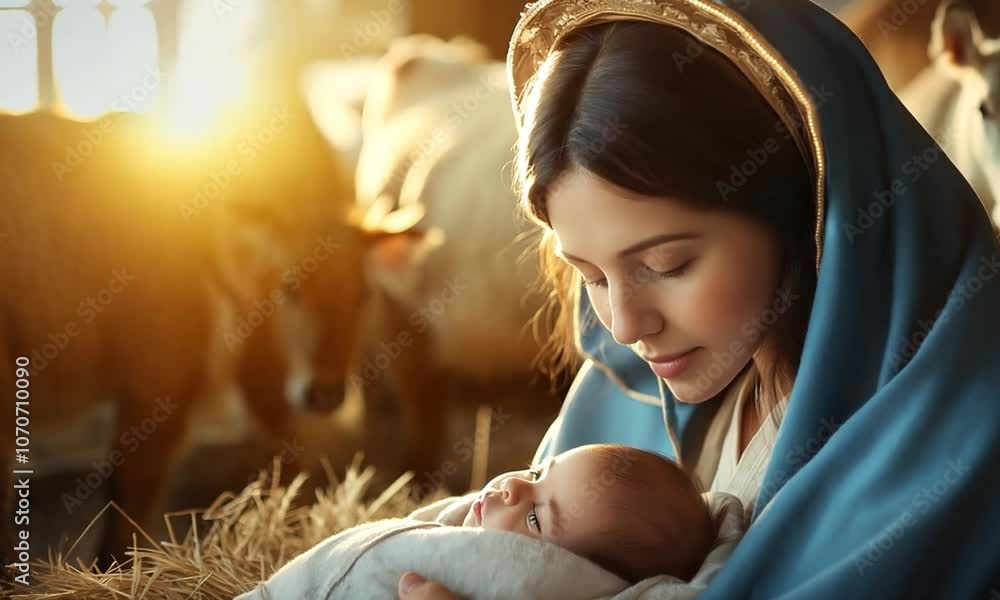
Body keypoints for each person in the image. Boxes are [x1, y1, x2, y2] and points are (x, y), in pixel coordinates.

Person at [399, 0, 1000, 598]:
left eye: (668, 264)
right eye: (592, 276)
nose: (626, 328)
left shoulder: (962, 445)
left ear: (809, 208)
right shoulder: (620, 400)